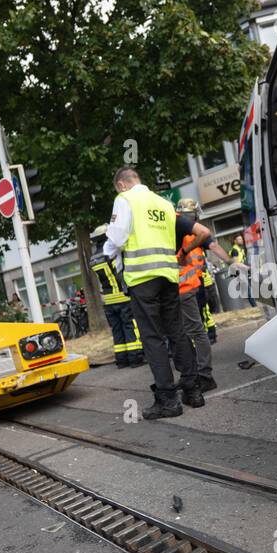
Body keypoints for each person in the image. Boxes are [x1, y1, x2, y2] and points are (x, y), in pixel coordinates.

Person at [97, 167, 205, 419]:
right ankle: (193, 391)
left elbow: (118, 236)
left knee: (152, 337)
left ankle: (168, 400)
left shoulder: (124, 199)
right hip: (168, 275)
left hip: (141, 277)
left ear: (122, 185)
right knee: (177, 331)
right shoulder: (164, 203)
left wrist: (107, 252)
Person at [174, 199, 233, 391]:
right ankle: (199, 374)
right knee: (195, 331)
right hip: (193, 288)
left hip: (182, 289)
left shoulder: (177, 228)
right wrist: (231, 262)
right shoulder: (197, 233)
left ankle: (203, 376)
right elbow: (215, 247)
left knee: (193, 332)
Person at [89, 232, 144, 369]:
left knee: (117, 329)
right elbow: (119, 273)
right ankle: (135, 357)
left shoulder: (93, 258)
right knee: (130, 326)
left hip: (108, 299)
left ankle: (121, 359)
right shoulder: (111, 253)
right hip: (121, 296)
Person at [230, 234, 254, 306]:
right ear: (235, 241)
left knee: (249, 291)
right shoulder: (235, 250)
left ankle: (254, 305)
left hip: (243, 272)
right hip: (240, 272)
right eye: (239, 239)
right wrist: (247, 267)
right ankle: (254, 306)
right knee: (249, 292)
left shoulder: (240, 248)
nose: (241, 240)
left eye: (241, 239)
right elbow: (236, 263)